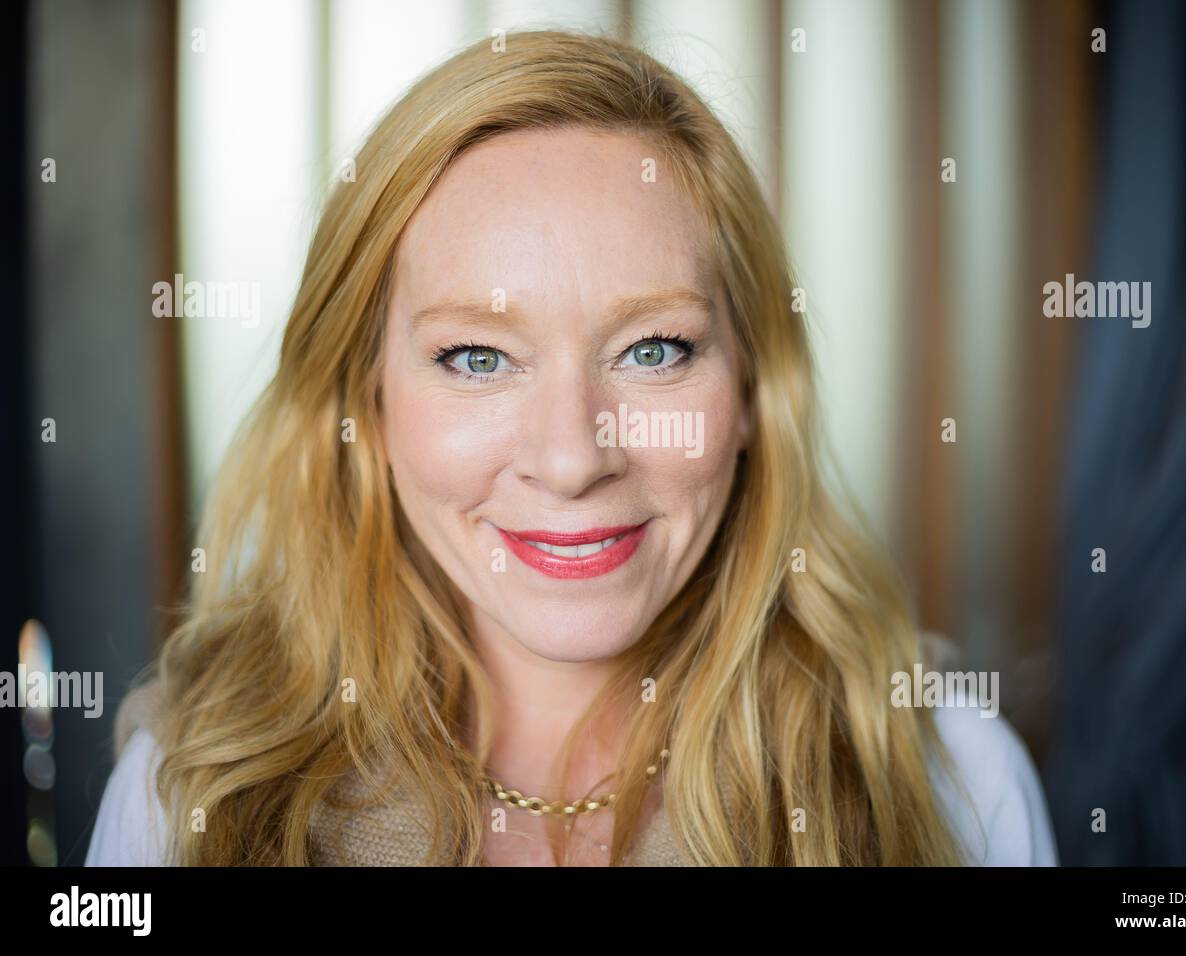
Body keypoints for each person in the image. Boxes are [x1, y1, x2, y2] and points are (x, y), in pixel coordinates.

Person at [87, 29, 1055, 867]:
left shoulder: (950, 781)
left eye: (652, 349)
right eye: (475, 356)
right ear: (366, 405)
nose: (570, 457)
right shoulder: (187, 797)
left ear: (754, 392)